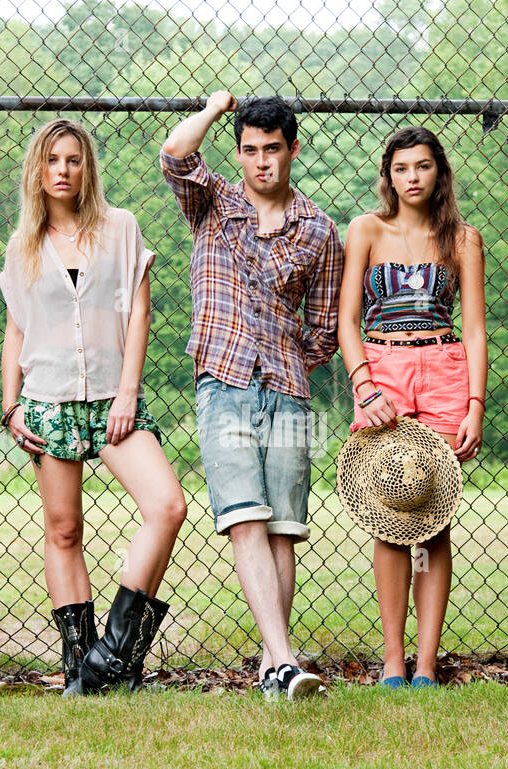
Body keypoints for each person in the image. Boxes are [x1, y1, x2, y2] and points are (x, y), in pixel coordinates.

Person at [161, 91, 343, 700]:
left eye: (272, 150)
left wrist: (291, 359)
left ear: (292, 149)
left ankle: (274, 667)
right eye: (249, 151)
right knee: (244, 518)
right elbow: (174, 154)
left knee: (283, 528)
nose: (261, 162)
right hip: (225, 379)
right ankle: (286, 659)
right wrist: (215, 109)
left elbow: (324, 326)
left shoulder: (319, 228)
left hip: (288, 386)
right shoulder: (214, 201)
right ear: (236, 153)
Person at [0, 118, 186, 695]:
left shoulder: (120, 229)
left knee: (167, 506)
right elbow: (15, 329)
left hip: (113, 399)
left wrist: (128, 391)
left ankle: (113, 653)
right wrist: (9, 407)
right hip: (47, 400)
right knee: (63, 531)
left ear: (87, 168)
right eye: (53, 160)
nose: (63, 170)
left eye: (74, 160)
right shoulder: (23, 245)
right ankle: (83, 669)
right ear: (38, 169)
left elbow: (138, 310)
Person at [336, 126, 487, 689]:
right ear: (388, 176)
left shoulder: (463, 240)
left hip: (445, 369)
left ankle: (426, 665)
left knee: (433, 517)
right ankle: (393, 661)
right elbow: (347, 321)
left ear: (439, 173)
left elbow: (473, 329)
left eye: (423, 167)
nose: (412, 178)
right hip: (383, 371)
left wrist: (474, 403)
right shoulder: (366, 230)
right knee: (391, 514)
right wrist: (364, 385)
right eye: (402, 169)